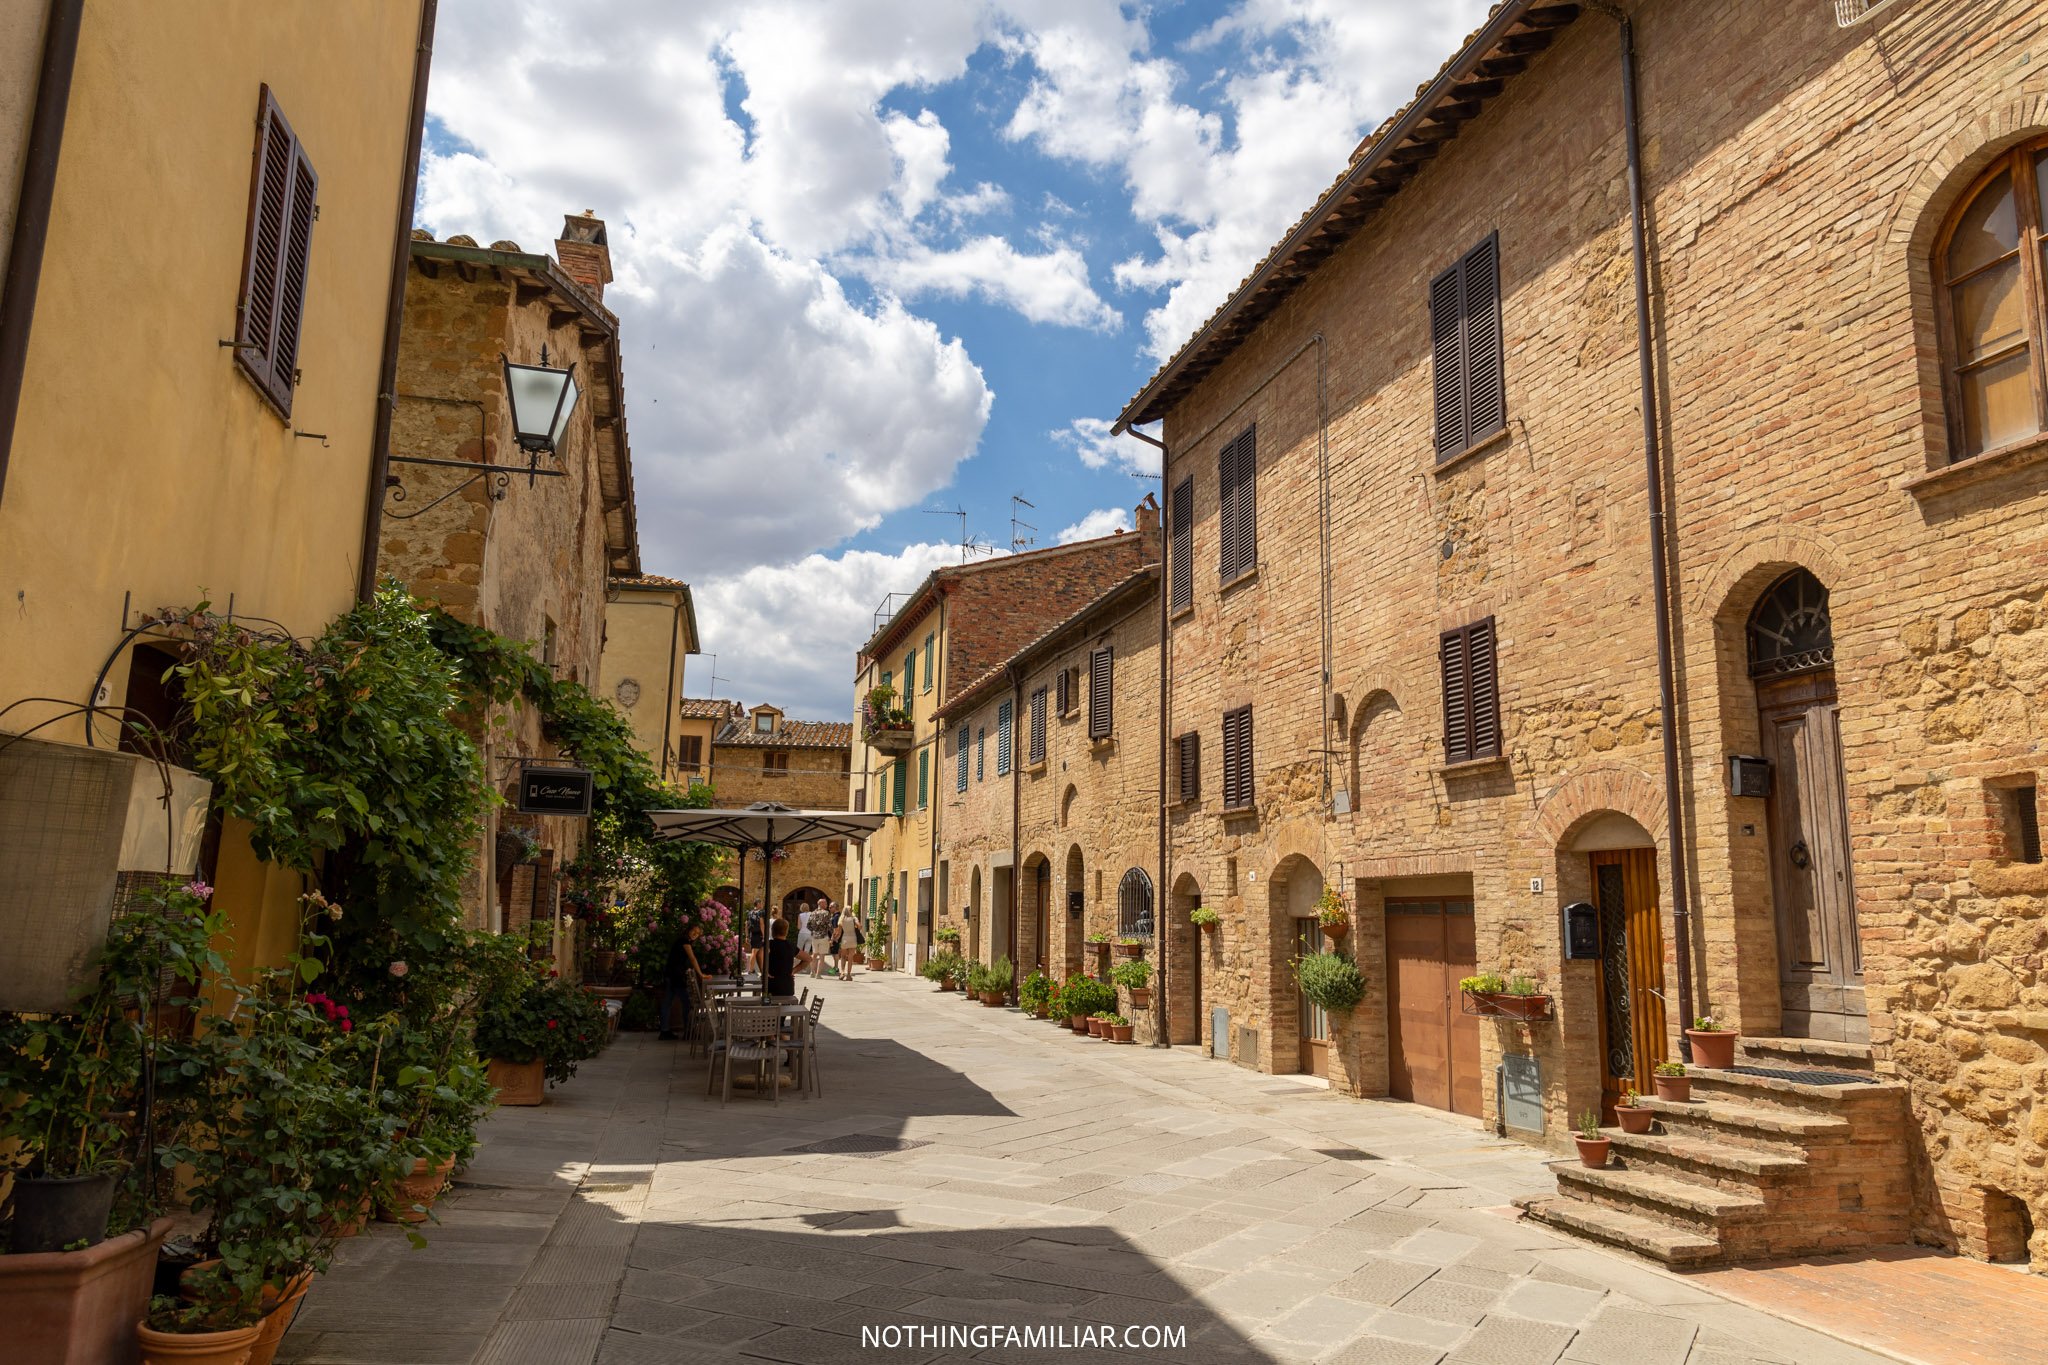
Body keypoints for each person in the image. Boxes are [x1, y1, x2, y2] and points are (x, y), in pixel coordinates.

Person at [658, 922, 694, 1041]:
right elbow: (692, 958)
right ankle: (688, 1032)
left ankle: (665, 1031)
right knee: (686, 1003)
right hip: (675, 976)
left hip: (672, 975)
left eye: (698, 933)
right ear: (688, 930)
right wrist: (700, 974)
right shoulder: (684, 941)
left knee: (668, 1003)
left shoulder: (682, 940)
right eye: (694, 931)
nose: (696, 934)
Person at [764, 919, 798, 1000]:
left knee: (768, 1007)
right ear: (786, 931)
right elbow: (808, 959)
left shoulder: (769, 944)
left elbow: (759, 953)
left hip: (771, 985)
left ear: (772, 930)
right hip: (787, 987)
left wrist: (764, 971)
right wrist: (794, 970)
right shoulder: (790, 946)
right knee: (785, 1010)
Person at [808, 901, 835, 979]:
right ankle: (818, 974)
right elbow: (830, 925)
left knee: (814, 954)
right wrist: (833, 934)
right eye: (825, 904)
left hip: (814, 936)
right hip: (823, 936)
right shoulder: (826, 913)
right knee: (822, 956)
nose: (826, 905)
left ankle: (812, 972)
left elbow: (808, 925)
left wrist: (814, 931)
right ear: (821, 904)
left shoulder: (812, 913)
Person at [838, 903, 863, 980]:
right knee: (850, 957)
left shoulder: (841, 919)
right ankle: (848, 975)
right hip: (853, 938)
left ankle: (842, 972)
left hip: (845, 938)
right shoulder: (854, 918)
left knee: (843, 956)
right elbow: (859, 926)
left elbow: (839, 932)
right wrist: (856, 927)